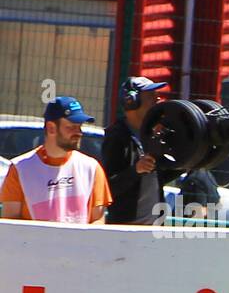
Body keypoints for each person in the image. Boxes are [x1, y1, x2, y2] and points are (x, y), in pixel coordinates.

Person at [0, 96, 111, 223]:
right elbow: (10, 223)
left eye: (79, 126)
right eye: (71, 127)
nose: (79, 132)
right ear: (51, 128)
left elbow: (98, 220)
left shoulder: (92, 168)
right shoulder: (19, 169)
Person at [101, 76, 176, 225]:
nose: (158, 100)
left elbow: (158, 177)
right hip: (126, 229)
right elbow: (108, 187)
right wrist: (136, 170)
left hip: (154, 226)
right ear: (132, 101)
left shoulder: (152, 134)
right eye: (150, 96)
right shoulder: (117, 137)